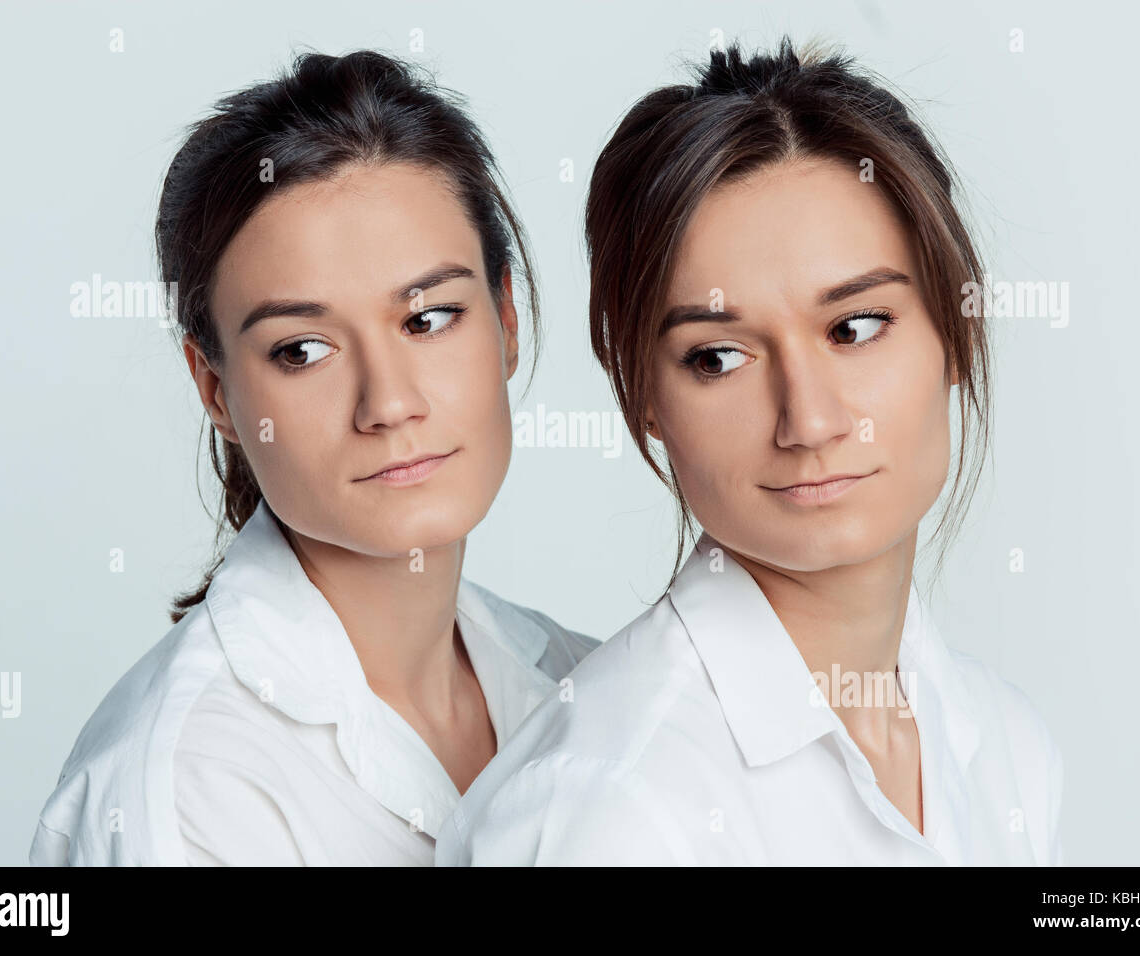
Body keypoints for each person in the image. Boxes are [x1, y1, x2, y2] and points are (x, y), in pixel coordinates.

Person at [437, 37, 1064, 866]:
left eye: (855, 327)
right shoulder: (609, 809)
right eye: (719, 357)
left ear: (956, 326)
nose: (807, 420)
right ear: (646, 396)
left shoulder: (1008, 750)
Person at [29, 49, 595, 866]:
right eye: (302, 349)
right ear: (215, 388)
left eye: (429, 318)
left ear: (506, 319)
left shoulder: (583, 679)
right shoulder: (186, 786)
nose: (389, 403)